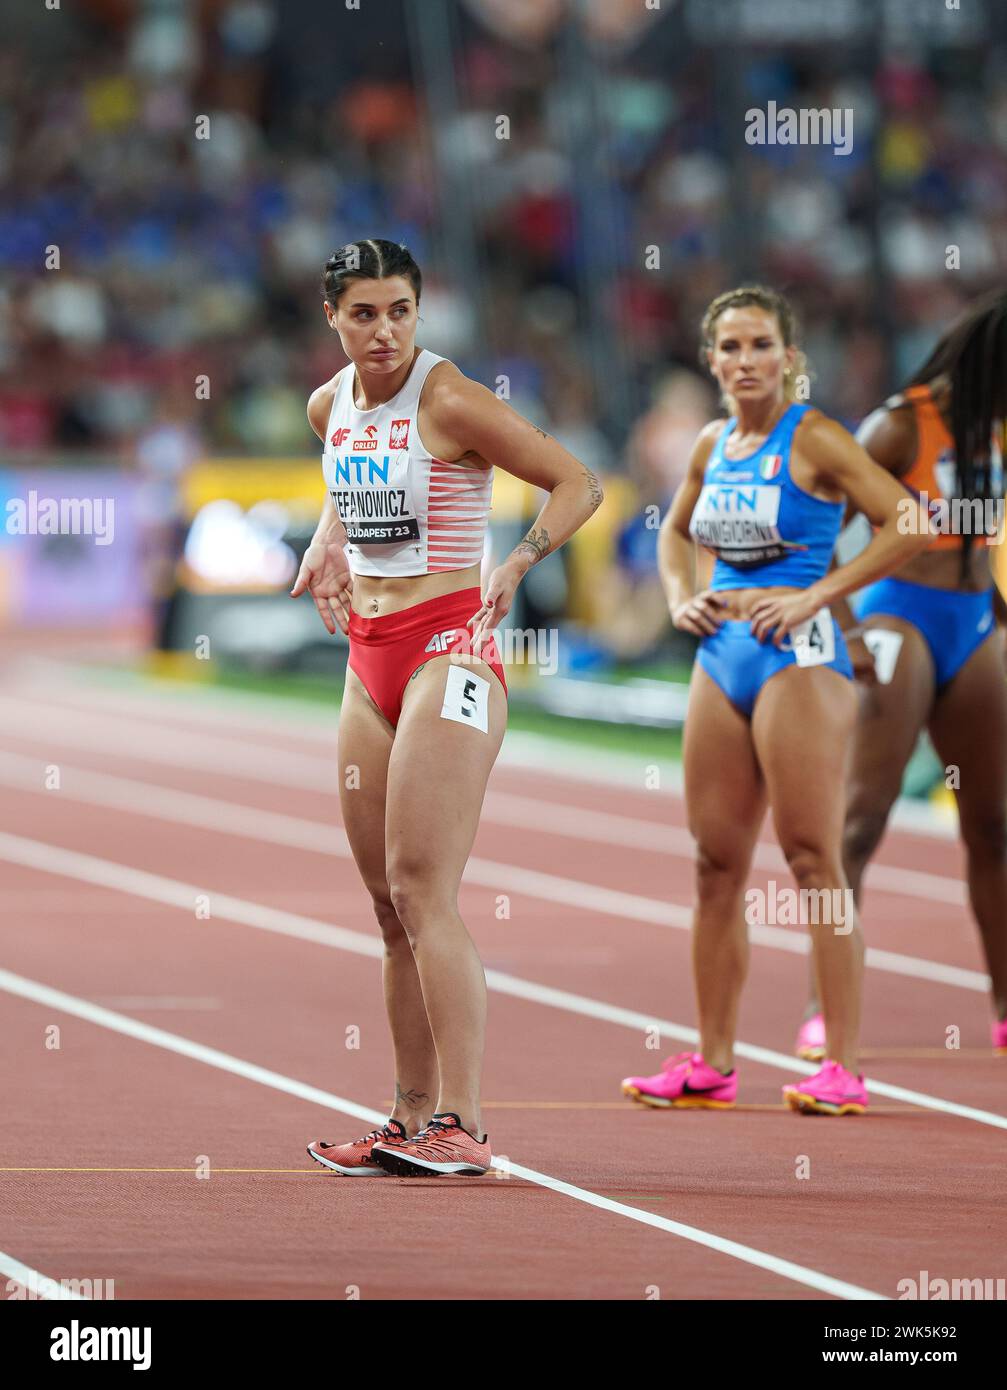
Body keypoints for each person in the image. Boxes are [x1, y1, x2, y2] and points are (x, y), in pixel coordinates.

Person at [294, 239, 602, 1174]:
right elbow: (349, 480)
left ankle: (462, 1127)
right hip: (366, 661)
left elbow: (576, 482)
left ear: (419, 314)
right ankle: (407, 1117)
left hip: (447, 651)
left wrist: (517, 561)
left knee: (425, 887)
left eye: (399, 311)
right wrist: (327, 542)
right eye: (362, 314)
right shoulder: (328, 406)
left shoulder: (450, 398)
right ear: (332, 319)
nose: (382, 330)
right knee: (387, 907)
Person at [620, 286, 931, 1116]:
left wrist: (816, 595)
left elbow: (907, 520)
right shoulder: (712, 441)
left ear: (788, 356)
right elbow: (673, 530)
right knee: (713, 863)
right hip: (721, 657)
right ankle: (712, 1061)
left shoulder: (817, 436)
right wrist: (681, 593)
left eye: (761, 345)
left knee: (809, 859)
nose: (746, 361)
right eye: (730, 348)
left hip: (801, 655)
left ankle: (842, 1065)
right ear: (710, 359)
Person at [795, 289, 1007, 1062]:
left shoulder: (992, 429)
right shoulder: (899, 422)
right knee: (858, 824)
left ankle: (1004, 1005)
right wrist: (843, 625)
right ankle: (824, 1007)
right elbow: (817, 525)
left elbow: (975, 539)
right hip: (898, 617)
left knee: (992, 826)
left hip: (973, 619)